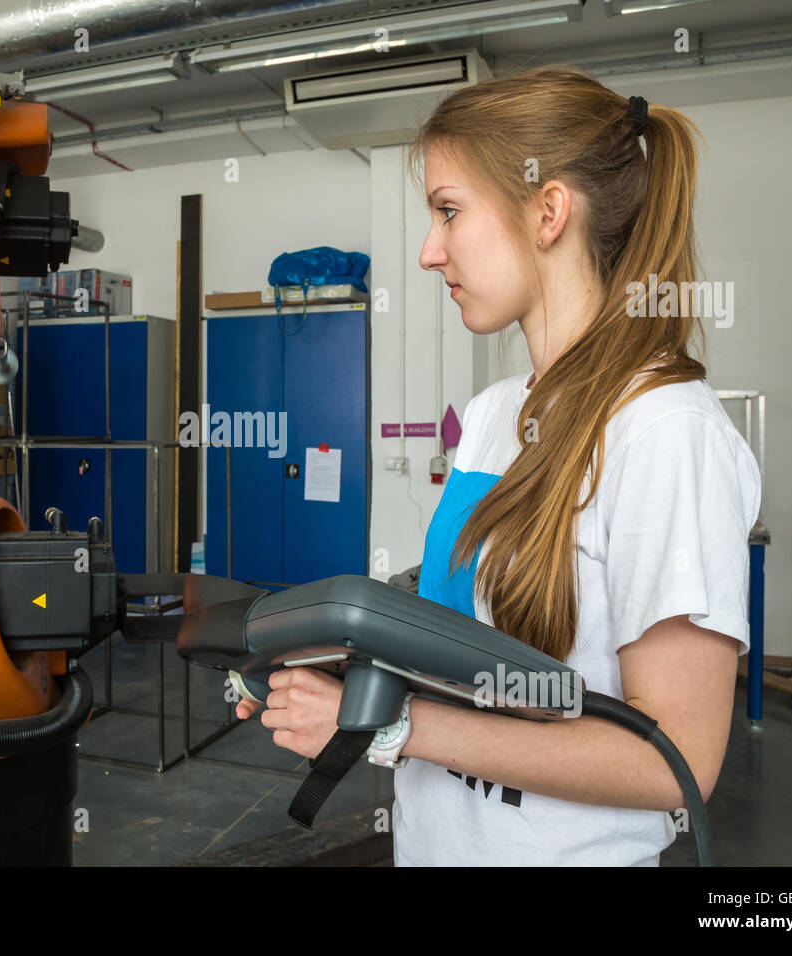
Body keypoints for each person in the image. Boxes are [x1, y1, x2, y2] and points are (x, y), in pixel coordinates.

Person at [236, 65, 763, 866]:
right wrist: (334, 673)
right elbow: (465, 642)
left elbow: (673, 762)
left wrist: (399, 726)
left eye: (449, 211)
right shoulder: (490, 415)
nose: (428, 252)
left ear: (548, 211)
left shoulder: (665, 432)